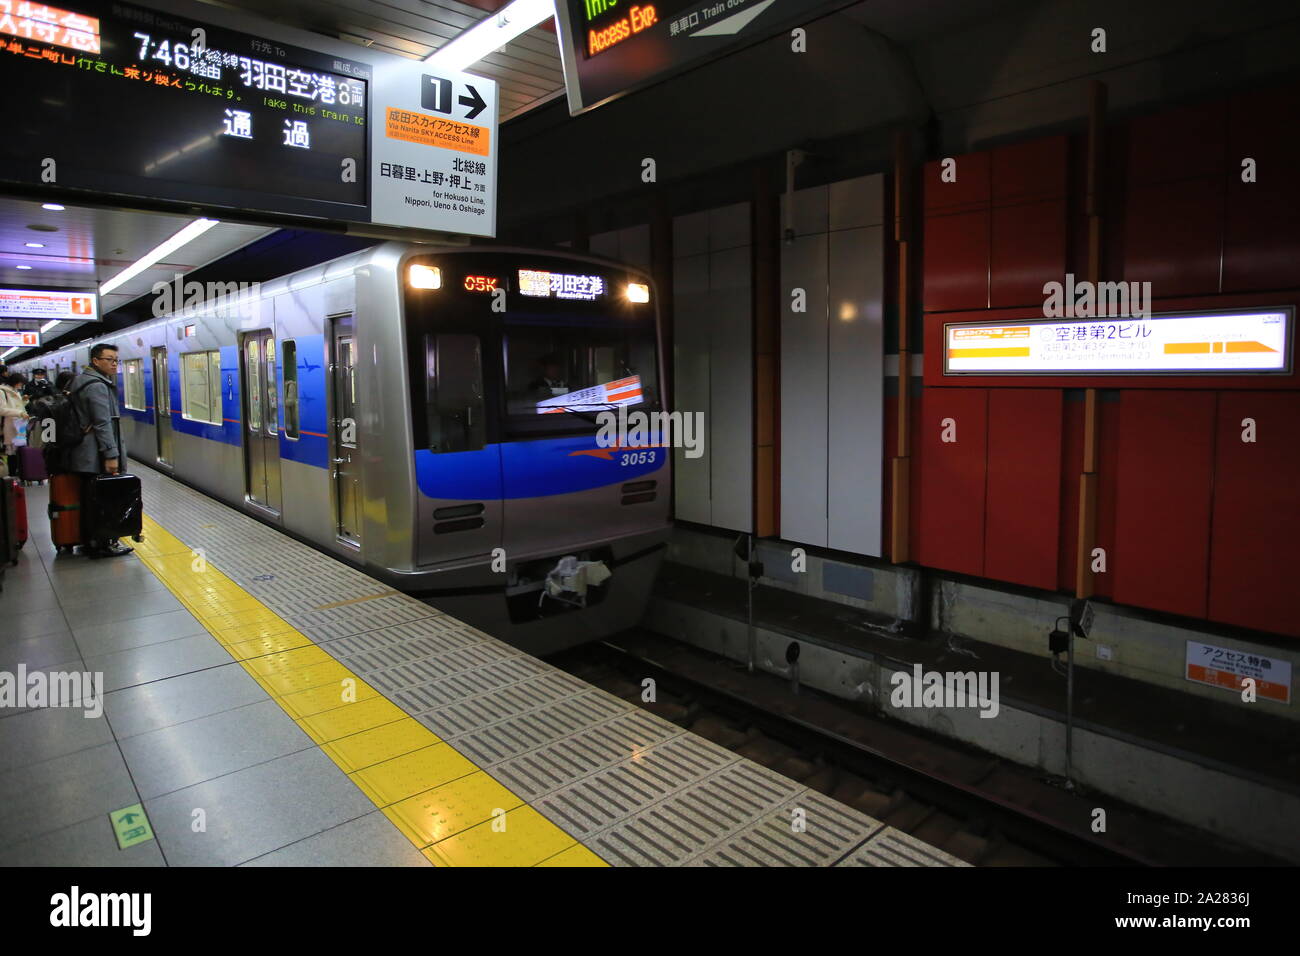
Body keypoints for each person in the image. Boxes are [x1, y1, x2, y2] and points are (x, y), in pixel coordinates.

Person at [67, 344, 132, 557]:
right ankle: (101, 543)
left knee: (90, 499)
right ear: (96, 361)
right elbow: (102, 423)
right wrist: (111, 455)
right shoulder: (97, 386)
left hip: (85, 454)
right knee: (101, 501)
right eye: (109, 359)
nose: (114, 364)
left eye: (116, 360)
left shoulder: (82, 381)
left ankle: (92, 541)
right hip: (94, 454)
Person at [0, 372, 27, 477]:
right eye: (20, 383)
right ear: (14, 382)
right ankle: (11, 475)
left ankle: (18, 473)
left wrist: (24, 402)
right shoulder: (2, 392)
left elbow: (18, 406)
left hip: (19, 424)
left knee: (19, 451)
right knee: (11, 452)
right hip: (9, 424)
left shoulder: (15, 391)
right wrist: (19, 413)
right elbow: (1, 410)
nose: (21, 386)